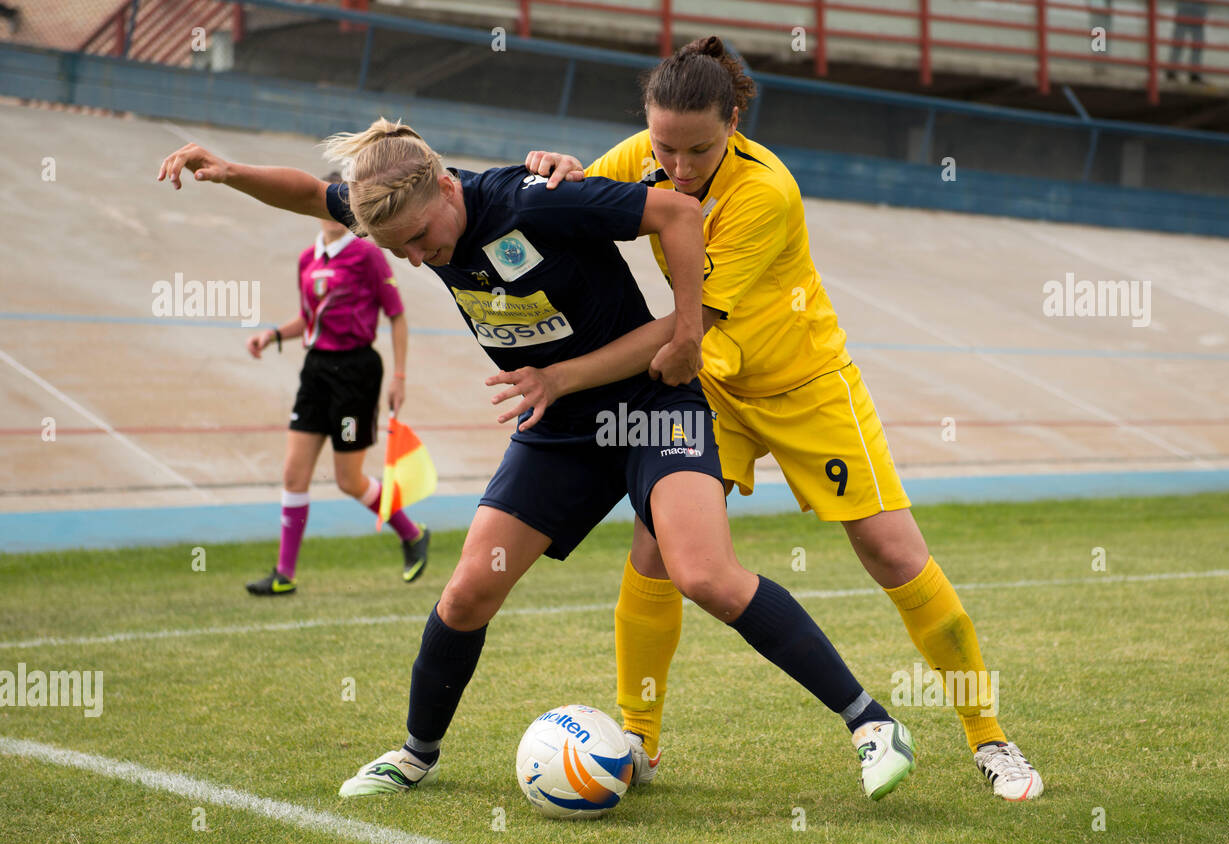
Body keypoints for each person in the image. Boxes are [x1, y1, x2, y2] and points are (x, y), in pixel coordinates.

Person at [156, 117, 918, 801]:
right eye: (400, 252)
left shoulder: (532, 201)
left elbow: (680, 212)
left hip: (651, 407)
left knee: (703, 575)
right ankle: (416, 753)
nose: (420, 259)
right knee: (463, 596)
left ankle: (871, 724)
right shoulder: (402, 215)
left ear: (449, 188)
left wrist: (687, 327)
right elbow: (311, 194)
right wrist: (228, 170)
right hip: (557, 426)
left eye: (423, 238)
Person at [525, 36, 1043, 800]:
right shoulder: (647, 150)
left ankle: (990, 738)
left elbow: (686, 331)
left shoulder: (768, 192)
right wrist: (558, 173)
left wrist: (586, 371)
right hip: (715, 391)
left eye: (698, 149)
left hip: (804, 384)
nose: (677, 166)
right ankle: (639, 740)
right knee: (656, 546)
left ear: (733, 122)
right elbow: (576, 207)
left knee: (892, 553)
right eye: (664, 146)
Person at [242, 171, 429, 595]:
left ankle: (412, 534)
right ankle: (285, 574)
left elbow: (397, 315)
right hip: (316, 371)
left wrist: (399, 376)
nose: (333, 214)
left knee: (349, 480)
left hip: (357, 374)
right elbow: (311, 318)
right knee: (294, 474)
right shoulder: (307, 259)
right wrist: (271, 335)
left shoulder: (368, 255)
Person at [1167, 1, 1207, 83]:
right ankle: (1193, 74)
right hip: (1195, 7)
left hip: (1190, 7)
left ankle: (1172, 71)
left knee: (1182, 40)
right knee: (1194, 41)